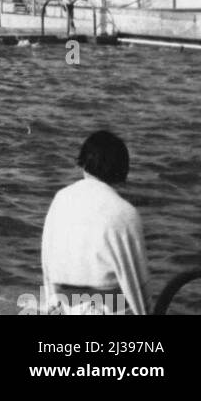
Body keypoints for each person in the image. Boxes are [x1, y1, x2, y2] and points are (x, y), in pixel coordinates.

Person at [41, 130, 150, 315]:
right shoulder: (125, 213)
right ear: (121, 169)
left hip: (64, 307)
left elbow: (47, 264)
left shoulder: (61, 199)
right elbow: (135, 284)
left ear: (83, 163)